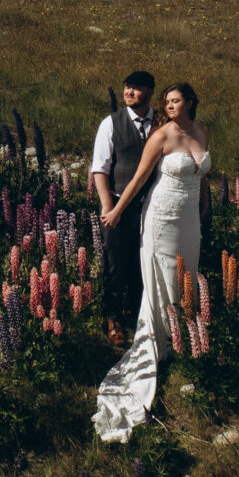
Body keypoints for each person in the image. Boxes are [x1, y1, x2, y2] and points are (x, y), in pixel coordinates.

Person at [91, 81, 210, 444]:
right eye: (167, 102)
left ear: (190, 102)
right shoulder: (160, 136)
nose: (170, 106)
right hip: (161, 217)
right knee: (163, 277)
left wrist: (206, 211)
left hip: (189, 218)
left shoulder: (202, 132)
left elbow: (203, 179)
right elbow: (140, 178)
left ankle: (182, 336)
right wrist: (114, 211)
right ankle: (161, 339)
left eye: (176, 101)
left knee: (187, 275)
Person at [91, 70, 158, 347]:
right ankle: (112, 317)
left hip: (154, 207)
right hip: (119, 205)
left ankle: (139, 314)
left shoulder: (162, 124)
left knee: (145, 263)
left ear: (150, 92)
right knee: (115, 263)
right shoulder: (111, 123)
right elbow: (100, 168)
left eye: (136, 88)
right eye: (126, 87)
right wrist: (109, 206)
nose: (129, 92)